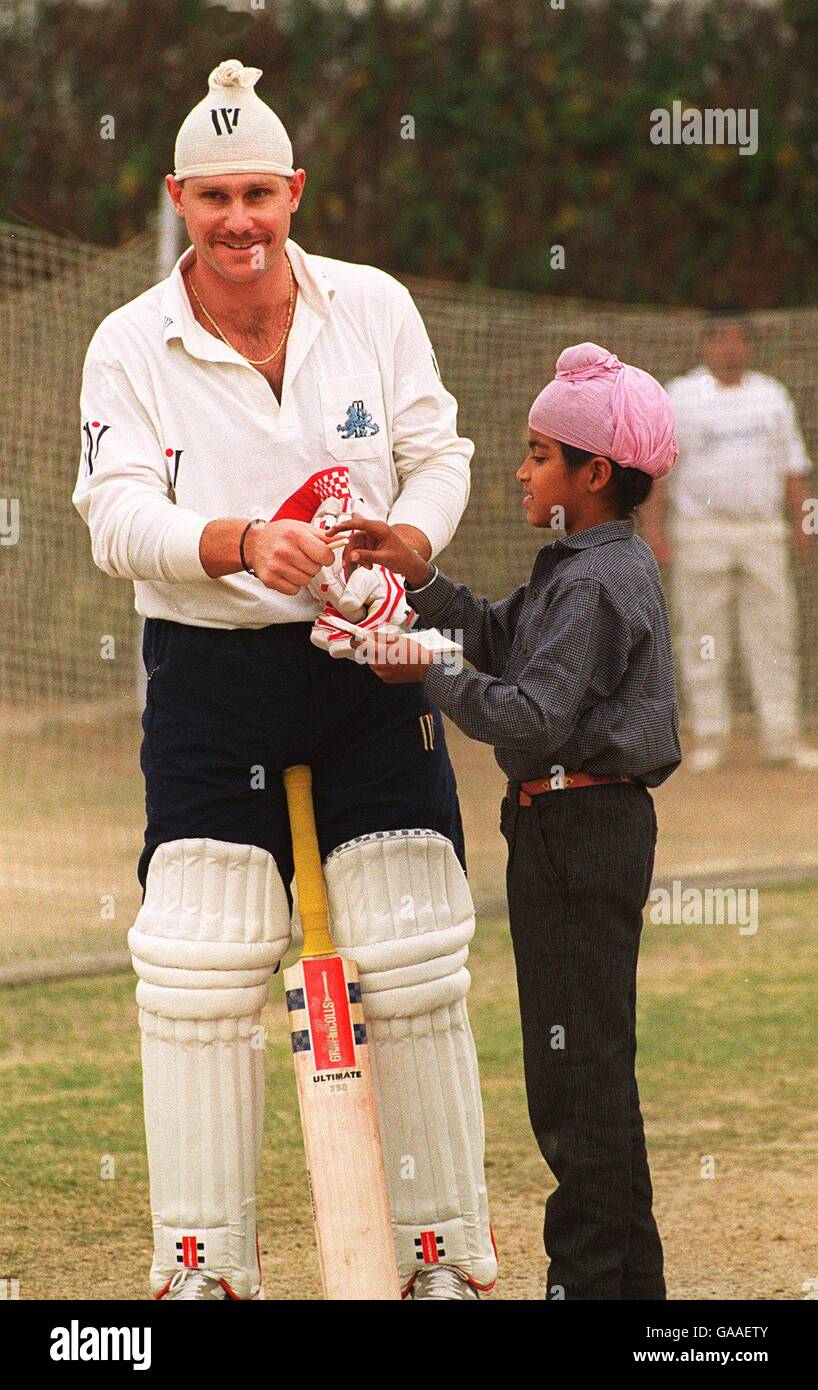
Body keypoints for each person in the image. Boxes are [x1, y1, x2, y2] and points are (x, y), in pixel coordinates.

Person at [72, 58, 496, 1301]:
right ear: (177, 200)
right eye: (213, 199)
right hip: (209, 672)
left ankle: (440, 1256)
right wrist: (238, 543)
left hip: (366, 659)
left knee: (412, 943)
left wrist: (411, 538)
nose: (238, 221)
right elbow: (112, 514)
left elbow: (439, 452)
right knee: (201, 959)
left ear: (294, 191)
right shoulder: (129, 341)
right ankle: (201, 1269)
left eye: (258, 193)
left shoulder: (369, 305)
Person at [328, 342, 681, 1300]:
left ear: (594, 473)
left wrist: (421, 667)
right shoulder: (583, 564)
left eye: (537, 453)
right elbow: (503, 639)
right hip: (568, 832)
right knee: (588, 1069)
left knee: (576, 1082)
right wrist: (424, 581)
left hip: (581, 834)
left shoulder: (599, 579)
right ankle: (625, 1289)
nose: (520, 472)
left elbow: (530, 715)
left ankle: (590, 1283)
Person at [642, 315, 817, 771]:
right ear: (705, 344)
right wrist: (654, 529)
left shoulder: (771, 395)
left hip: (762, 530)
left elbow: (794, 468)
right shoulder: (681, 394)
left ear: (749, 346)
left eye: (738, 339)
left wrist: (805, 523)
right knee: (702, 635)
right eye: (720, 339)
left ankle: (782, 737)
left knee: (775, 632)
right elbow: (661, 467)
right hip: (701, 531)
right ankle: (709, 737)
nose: (730, 348)